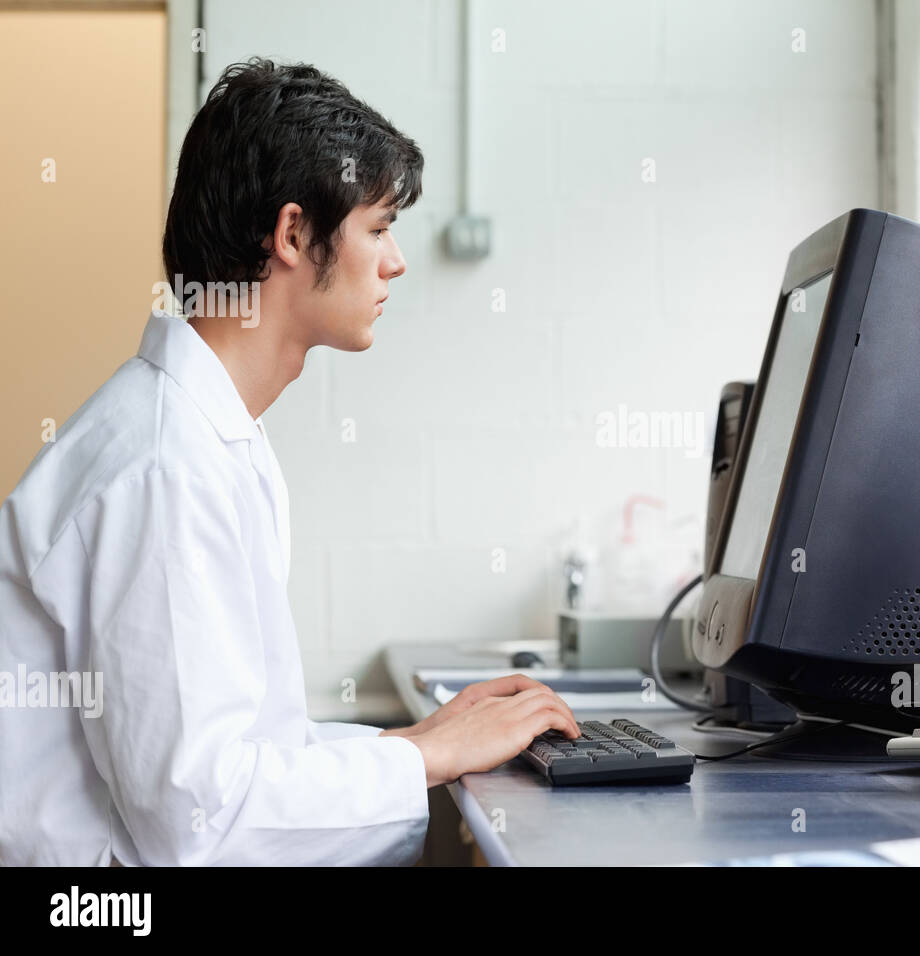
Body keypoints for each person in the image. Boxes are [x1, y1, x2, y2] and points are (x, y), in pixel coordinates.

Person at [0, 58, 579, 866]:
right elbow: (201, 821)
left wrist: (423, 738)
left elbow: (241, 754)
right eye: (377, 228)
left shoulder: (210, 435)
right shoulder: (167, 467)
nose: (396, 261)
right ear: (293, 235)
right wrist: (424, 759)